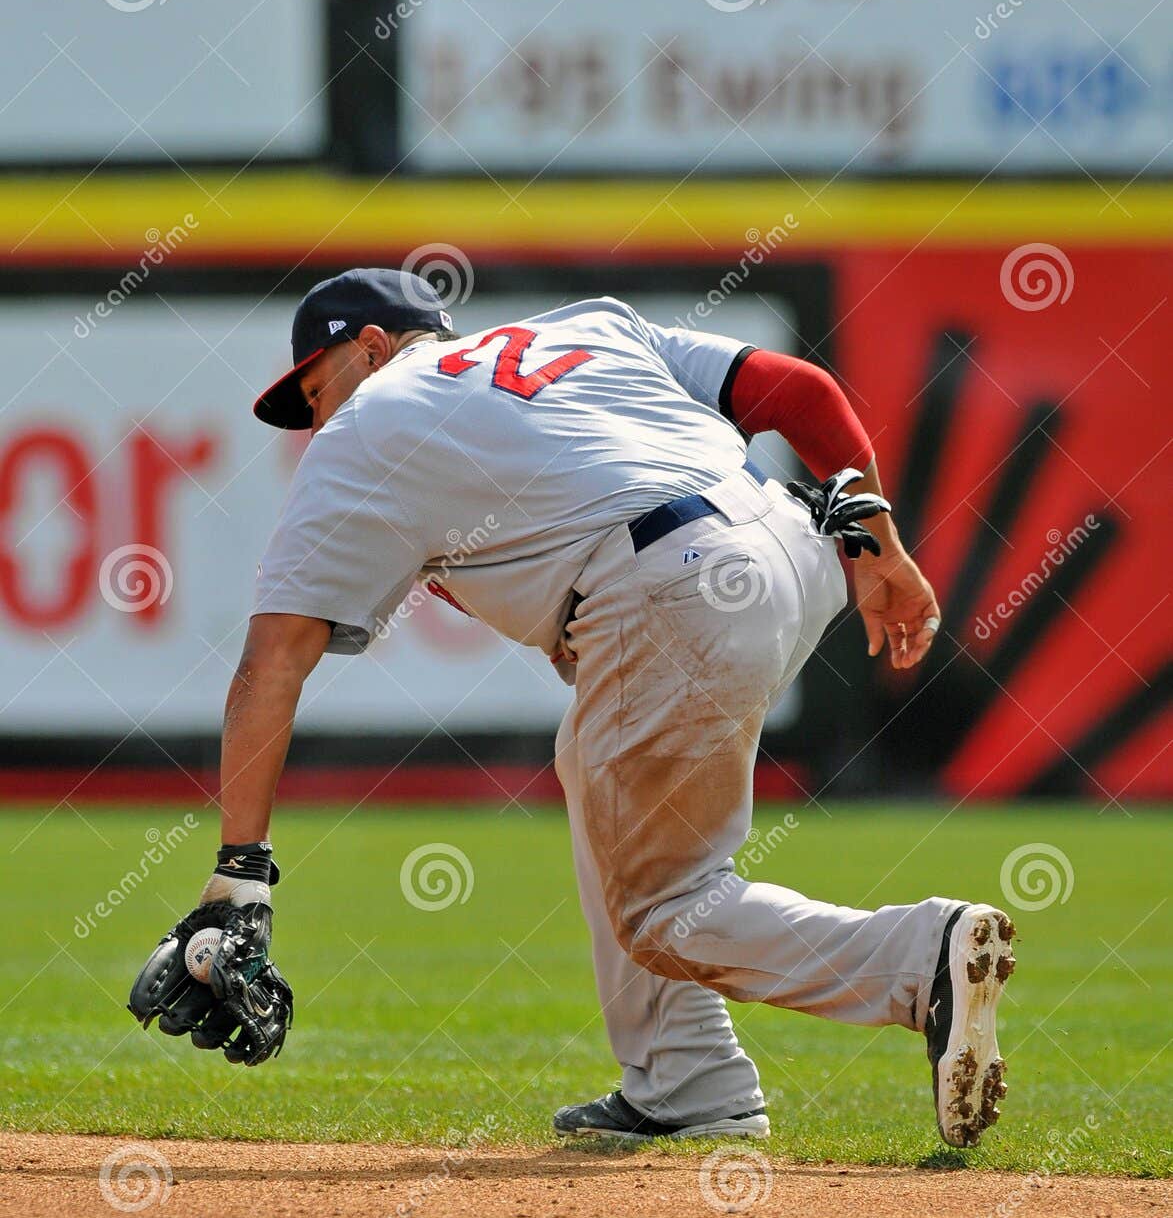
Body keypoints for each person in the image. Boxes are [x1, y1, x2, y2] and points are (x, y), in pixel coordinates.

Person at [129, 267, 1014, 1149]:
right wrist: (878, 542)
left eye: (315, 391)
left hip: (678, 581)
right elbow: (798, 389)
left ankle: (914, 959)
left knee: (666, 909)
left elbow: (271, 661)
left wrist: (240, 871)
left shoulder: (366, 426)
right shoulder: (586, 326)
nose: (315, 420)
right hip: (794, 538)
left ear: (372, 346)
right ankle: (685, 1081)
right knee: (589, 765)